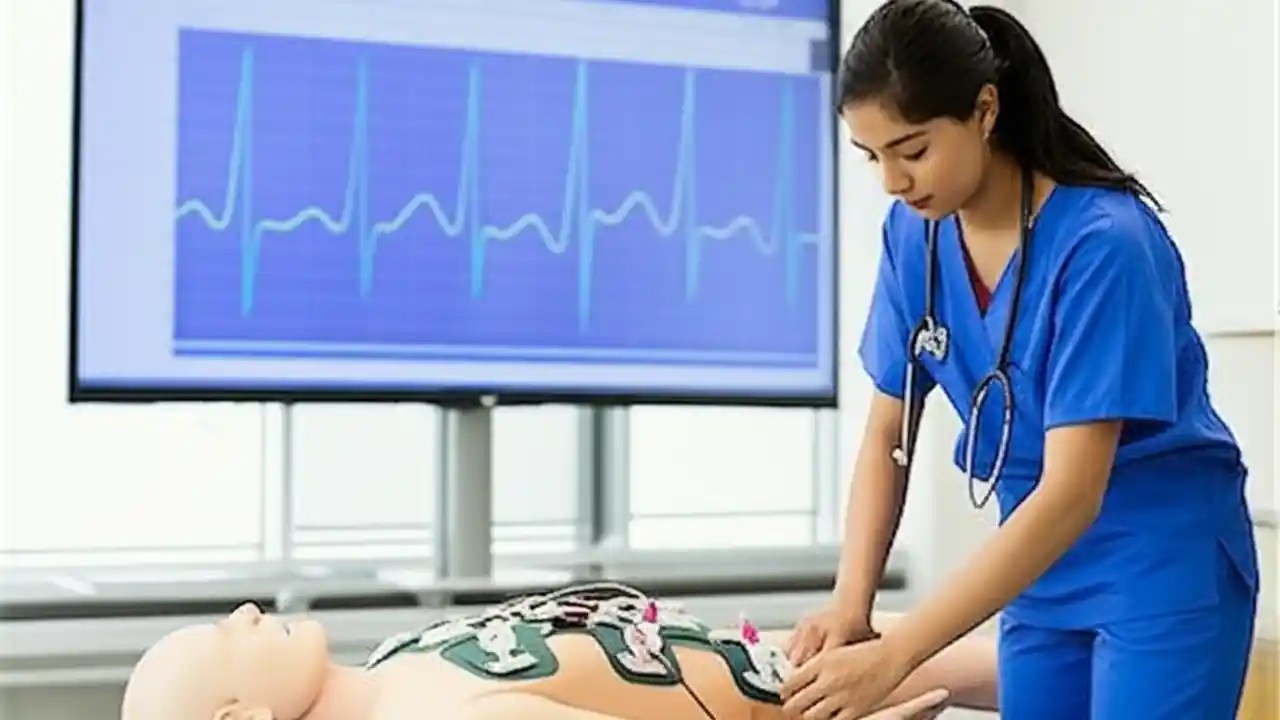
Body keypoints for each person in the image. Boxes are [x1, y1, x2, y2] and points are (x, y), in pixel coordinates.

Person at [780, 2, 1260, 719]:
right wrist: (852, 608)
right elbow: (890, 438)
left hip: (1158, 569)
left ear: (985, 111)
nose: (892, 183)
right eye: (872, 156)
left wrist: (898, 654)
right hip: (1038, 579)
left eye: (912, 151)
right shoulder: (917, 238)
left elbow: (1072, 491)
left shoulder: (1106, 245)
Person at [118, 582, 998, 720]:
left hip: (794, 659)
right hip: (822, 696)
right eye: (221, 639)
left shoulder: (394, 663)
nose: (243, 611)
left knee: (1042, 661)